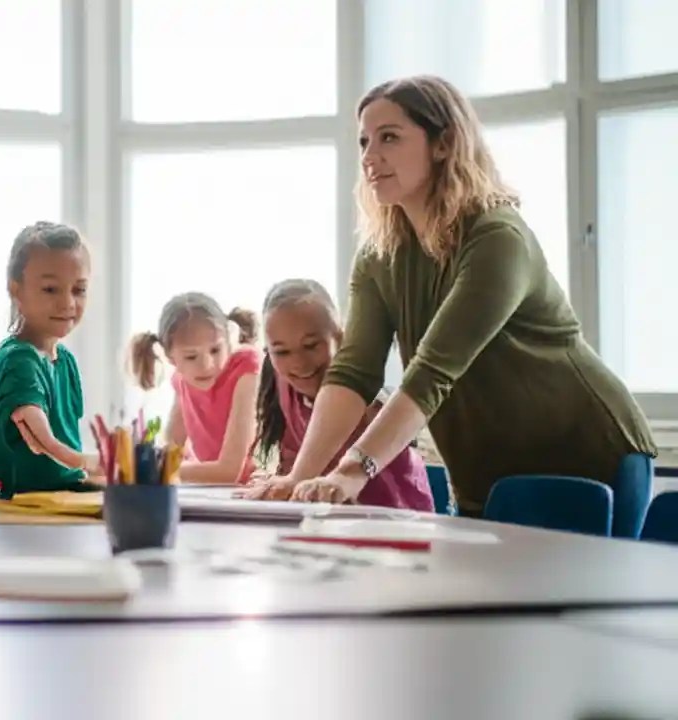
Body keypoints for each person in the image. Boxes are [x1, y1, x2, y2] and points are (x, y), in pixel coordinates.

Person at [245, 75, 655, 521]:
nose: (369, 156)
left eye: (389, 138)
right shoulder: (378, 256)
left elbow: (432, 373)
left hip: (584, 458)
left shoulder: (497, 236)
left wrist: (351, 469)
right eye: (364, 141)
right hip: (486, 473)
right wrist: (300, 476)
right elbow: (352, 373)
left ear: (443, 144)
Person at [254, 278, 433, 510]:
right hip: (328, 518)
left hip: (395, 515)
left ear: (341, 338)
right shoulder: (286, 388)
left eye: (311, 345)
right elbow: (291, 462)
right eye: (282, 352)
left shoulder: (368, 398)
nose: (298, 363)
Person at [0, 221, 98, 498]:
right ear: (16, 290)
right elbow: (41, 438)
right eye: (51, 289)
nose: (67, 303)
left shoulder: (64, 360)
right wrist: (93, 463)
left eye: (78, 290)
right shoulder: (20, 360)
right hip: (25, 500)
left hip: (61, 492)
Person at [129, 292, 259, 484]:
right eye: (191, 356)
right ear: (170, 357)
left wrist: (155, 469)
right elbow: (172, 450)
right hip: (221, 492)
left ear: (228, 341)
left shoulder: (246, 367)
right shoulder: (182, 380)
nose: (207, 365)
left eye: (215, 350)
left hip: (261, 485)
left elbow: (230, 471)